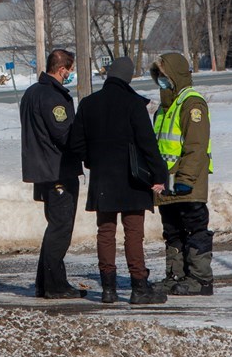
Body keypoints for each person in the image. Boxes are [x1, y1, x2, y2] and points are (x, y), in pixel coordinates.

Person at [68, 56, 169, 305]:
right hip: (133, 179)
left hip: (103, 179)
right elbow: (148, 144)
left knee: (105, 232)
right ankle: (138, 288)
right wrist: (159, 174)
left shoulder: (89, 104)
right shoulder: (133, 103)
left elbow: (76, 144)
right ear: (128, 77)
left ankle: (108, 290)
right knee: (133, 233)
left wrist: (94, 161)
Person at [20, 48, 86, 299]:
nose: (70, 75)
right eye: (69, 70)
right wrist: (85, 148)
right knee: (60, 228)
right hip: (58, 169)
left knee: (54, 227)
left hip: (42, 169)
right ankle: (55, 285)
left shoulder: (31, 93)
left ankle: (45, 283)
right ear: (62, 70)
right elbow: (65, 134)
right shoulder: (53, 96)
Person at [150, 53, 215, 296]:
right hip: (167, 183)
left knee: (194, 229)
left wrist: (185, 180)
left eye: (164, 77)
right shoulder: (165, 108)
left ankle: (200, 279)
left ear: (175, 76)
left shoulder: (191, 103)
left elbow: (196, 146)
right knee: (173, 231)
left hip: (188, 184)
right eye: (159, 77)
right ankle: (176, 275)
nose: (161, 82)